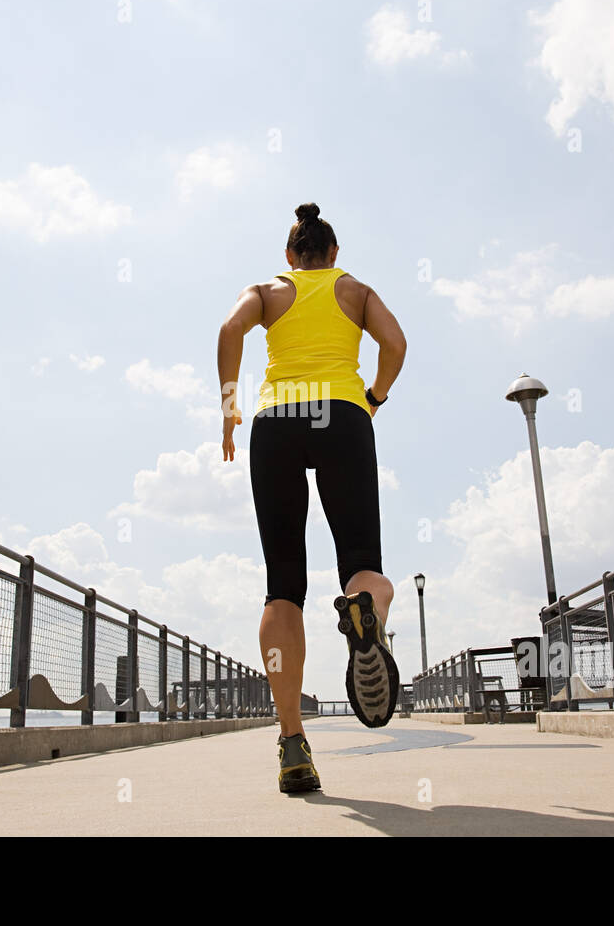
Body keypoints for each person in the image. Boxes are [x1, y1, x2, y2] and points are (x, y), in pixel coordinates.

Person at [216, 203, 407, 793]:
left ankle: (292, 743)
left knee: (283, 586)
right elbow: (396, 344)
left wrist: (229, 412)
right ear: (334, 254)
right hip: (343, 418)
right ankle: (362, 611)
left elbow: (229, 331)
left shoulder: (268, 291)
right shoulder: (356, 291)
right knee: (365, 568)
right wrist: (371, 397)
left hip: (277, 423)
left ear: (290, 255)